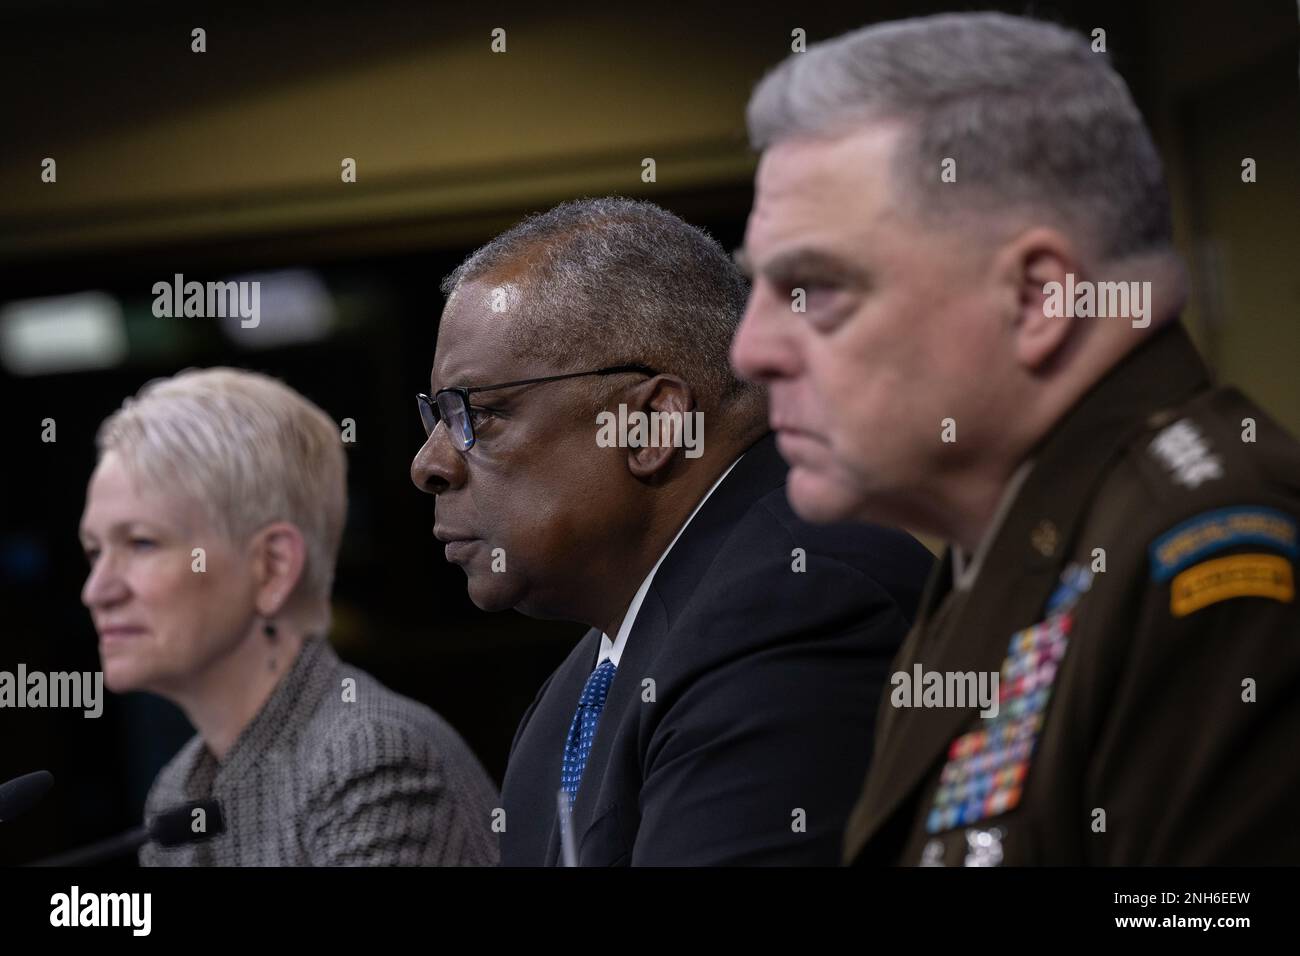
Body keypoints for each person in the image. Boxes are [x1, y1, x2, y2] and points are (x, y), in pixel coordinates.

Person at [732, 12, 1300, 866]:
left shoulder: (1205, 560)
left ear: (1039, 299)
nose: (752, 350)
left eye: (814, 289)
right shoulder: (1002, 535)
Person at [410, 197, 933, 865]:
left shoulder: (800, 602)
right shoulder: (572, 695)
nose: (429, 463)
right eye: (436, 417)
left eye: (478, 414)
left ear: (653, 424)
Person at [80, 367, 500, 865]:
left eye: (142, 543)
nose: (96, 590)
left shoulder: (369, 756)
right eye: (93, 551)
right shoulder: (176, 789)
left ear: (272, 567)